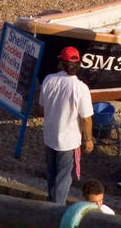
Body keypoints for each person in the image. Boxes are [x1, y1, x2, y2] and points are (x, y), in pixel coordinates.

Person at [37, 46, 94, 206]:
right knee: (63, 179)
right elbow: (87, 118)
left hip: (50, 136)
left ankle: (51, 205)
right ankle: (57, 211)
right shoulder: (80, 88)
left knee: (52, 175)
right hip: (68, 141)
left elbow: (41, 108)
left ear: (61, 63)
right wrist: (88, 140)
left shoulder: (48, 80)